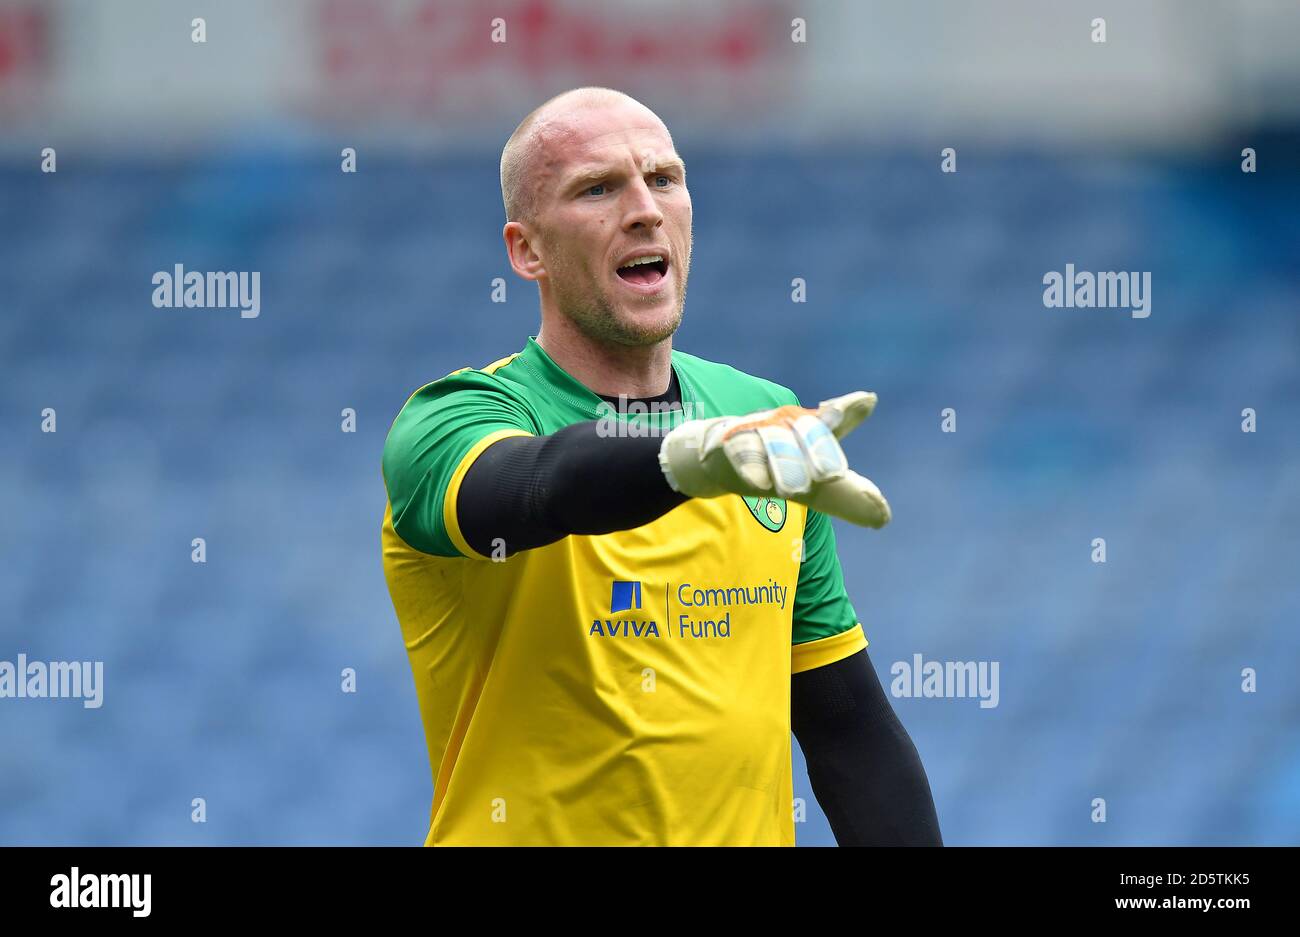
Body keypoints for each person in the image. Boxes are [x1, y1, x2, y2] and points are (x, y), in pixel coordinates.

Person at [381, 87, 941, 846]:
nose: (644, 208)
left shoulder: (763, 416)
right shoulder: (451, 421)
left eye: (664, 178)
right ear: (527, 249)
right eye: (598, 187)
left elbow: (850, 733)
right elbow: (543, 485)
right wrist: (688, 457)